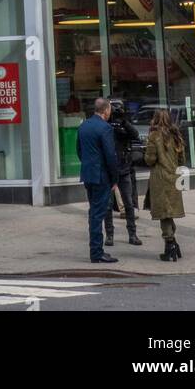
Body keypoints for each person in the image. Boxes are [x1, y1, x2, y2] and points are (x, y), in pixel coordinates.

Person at [76, 97, 119, 264]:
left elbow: (79, 150)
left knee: (94, 212)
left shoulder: (83, 126)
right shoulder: (105, 128)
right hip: (101, 176)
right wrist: (114, 178)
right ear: (106, 110)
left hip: (88, 174)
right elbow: (110, 156)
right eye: (110, 110)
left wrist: (88, 164)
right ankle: (96, 252)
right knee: (97, 214)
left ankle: (96, 250)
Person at [144, 109, 186, 261]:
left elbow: (150, 159)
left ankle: (170, 245)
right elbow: (182, 160)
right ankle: (173, 243)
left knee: (164, 212)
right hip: (174, 177)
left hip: (160, 178)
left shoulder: (154, 136)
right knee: (168, 211)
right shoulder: (176, 136)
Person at [103, 99, 142, 248]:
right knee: (107, 205)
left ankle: (132, 234)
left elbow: (135, 134)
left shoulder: (124, 124)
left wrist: (124, 121)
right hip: (109, 169)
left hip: (124, 169)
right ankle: (110, 235)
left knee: (129, 203)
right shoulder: (105, 126)